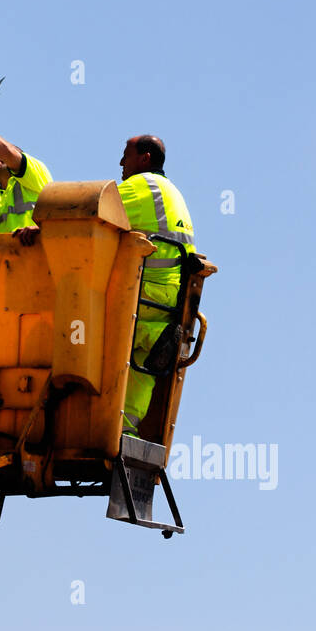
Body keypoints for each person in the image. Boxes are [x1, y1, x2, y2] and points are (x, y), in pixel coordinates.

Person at [117, 134, 195, 436]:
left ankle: (154, 337)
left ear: (145, 158)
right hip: (169, 301)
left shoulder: (141, 186)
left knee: (86, 326)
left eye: (126, 154)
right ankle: (125, 431)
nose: (122, 162)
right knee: (141, 369)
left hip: (144, 296)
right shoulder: (172, 191)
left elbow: (94, 211)